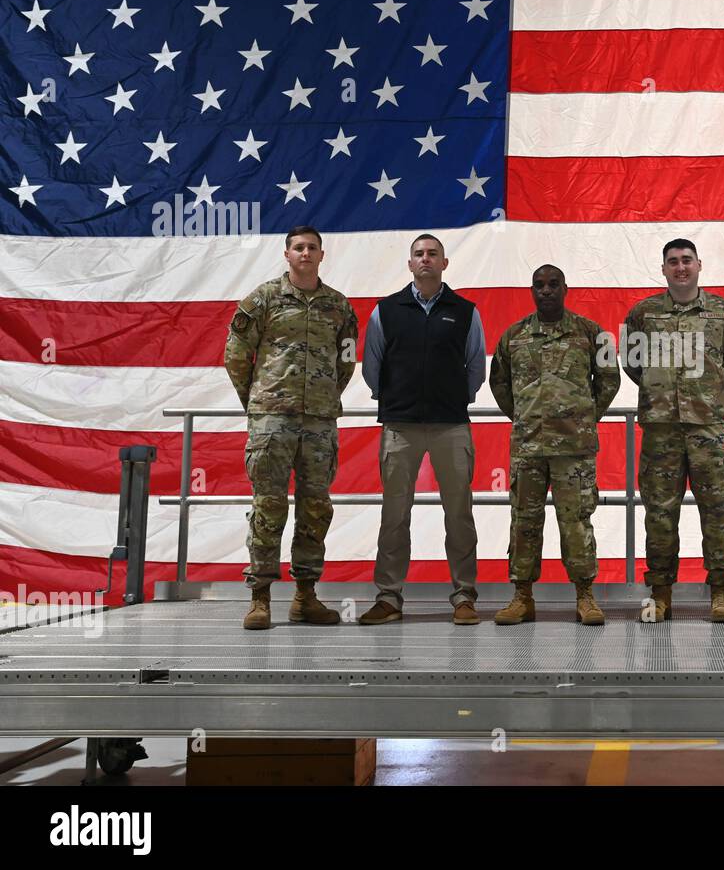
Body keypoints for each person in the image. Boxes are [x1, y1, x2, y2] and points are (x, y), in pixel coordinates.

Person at [224, 225, 359, 630]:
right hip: (272, 421)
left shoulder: (339, 306)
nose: (305, 253)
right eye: (298, 247)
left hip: (318, 423)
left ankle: (305, 596)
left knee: (316, 508)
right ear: (287, 254)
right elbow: (236, 355)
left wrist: (323, 397)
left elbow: (347, 359)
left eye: (312, 248)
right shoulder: (263, 299)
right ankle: (260, 597)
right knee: (269, 505)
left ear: (322, 255)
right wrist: (258, 401)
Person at [358, 234, 486, 625]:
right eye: (419, 254)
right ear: (409, 264)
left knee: (459, 514)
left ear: (445, 264)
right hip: (400, 426)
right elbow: (371, 367)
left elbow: (476, 367)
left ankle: (464, 597)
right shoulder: (386, 311)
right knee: (395, 515)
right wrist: (396, 401)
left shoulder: (465, 311)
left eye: (433, 254)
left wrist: (450, 400)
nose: (426, 259)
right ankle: (389, 599)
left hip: (451, 426)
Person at [621, 239, 724, 623]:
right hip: (661, 431)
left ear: (699, 265)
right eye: (673, 262)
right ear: (663, 269)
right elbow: (632, 362)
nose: (680, 267)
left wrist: (705, 392)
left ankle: (721, 592)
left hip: (709, 428)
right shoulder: (643, 314)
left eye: (687, 261)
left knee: (717, 511)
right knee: (659, 514)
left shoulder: (723, 313)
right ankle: (660, 595)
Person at [489, 265, 622, 625]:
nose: (545, 291)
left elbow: (610, 379)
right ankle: (522, 596)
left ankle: (585, 595)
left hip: (574, 449)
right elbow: (499, 382)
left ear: (566, 288)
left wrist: (584, 417)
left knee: (576, 522)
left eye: (552, 285)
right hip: (528, 446)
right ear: (531, 290)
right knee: (524, 521)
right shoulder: (513, 336)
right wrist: (523, 416)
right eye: (539, 285)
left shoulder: (591, 334)